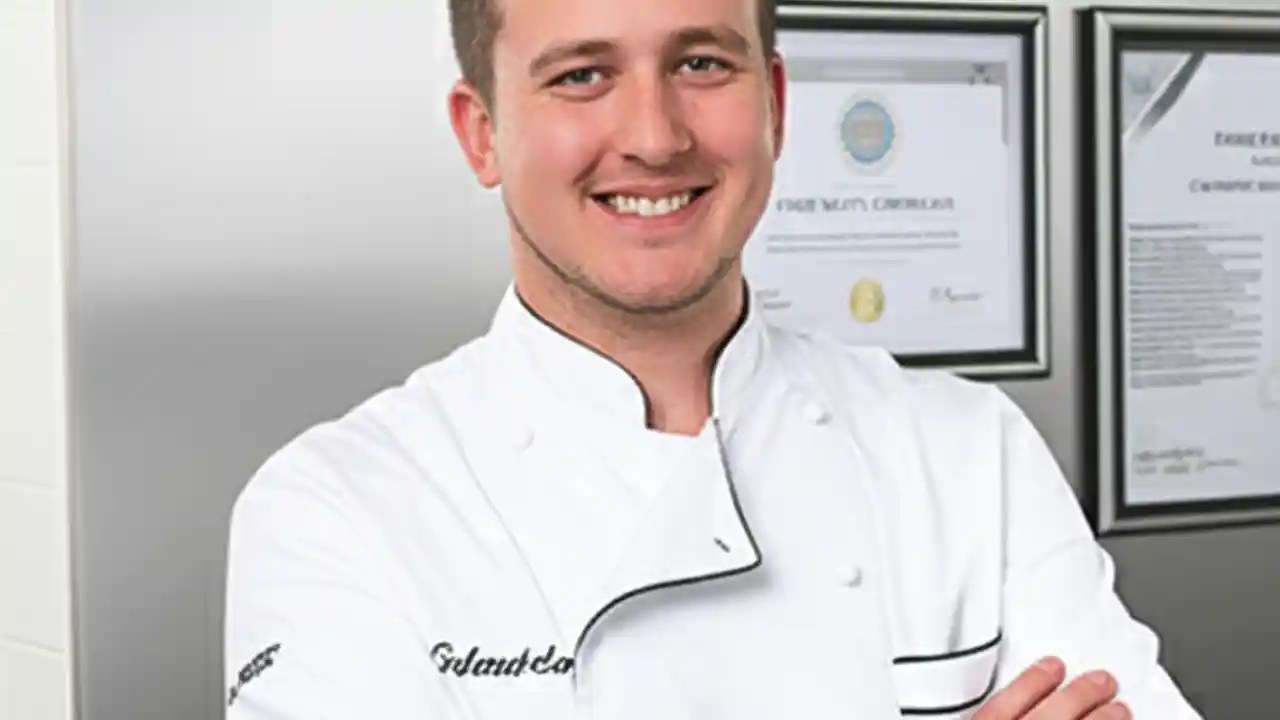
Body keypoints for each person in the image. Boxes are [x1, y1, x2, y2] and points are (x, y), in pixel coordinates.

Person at [223, 0, 1202, 717]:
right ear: (482, 133)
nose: (652, 137)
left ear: (773, 102)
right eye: (580, 75)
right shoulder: (334, 509)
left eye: (699, 64)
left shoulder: (965, 449)